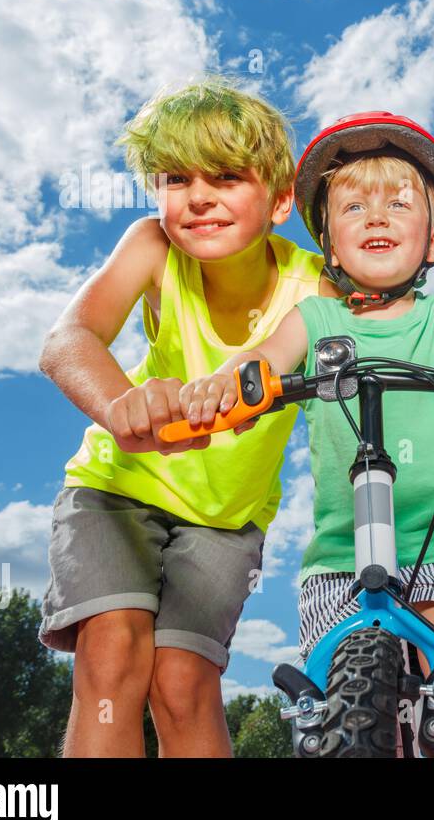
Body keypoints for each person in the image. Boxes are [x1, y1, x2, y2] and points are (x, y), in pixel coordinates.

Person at [178, 111, 434, 756]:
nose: (376, 217)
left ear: (433, 240)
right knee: (329, 693)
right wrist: (218, 387)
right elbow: (256, 366)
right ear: (329, 243)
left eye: (399, 204)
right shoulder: (310, 319)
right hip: (342, 555)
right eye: (353, 208)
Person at [37, 77, 327, 757]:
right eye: (174, 179)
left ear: (280, 199)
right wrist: (120, 404)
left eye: (226, 177)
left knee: (182, 682)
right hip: (118, 489)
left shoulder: (315, 284)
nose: (197, 197)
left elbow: (409, 336)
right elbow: (67, 341)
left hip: (225, 519)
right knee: (112, 654)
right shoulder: (153, 247)